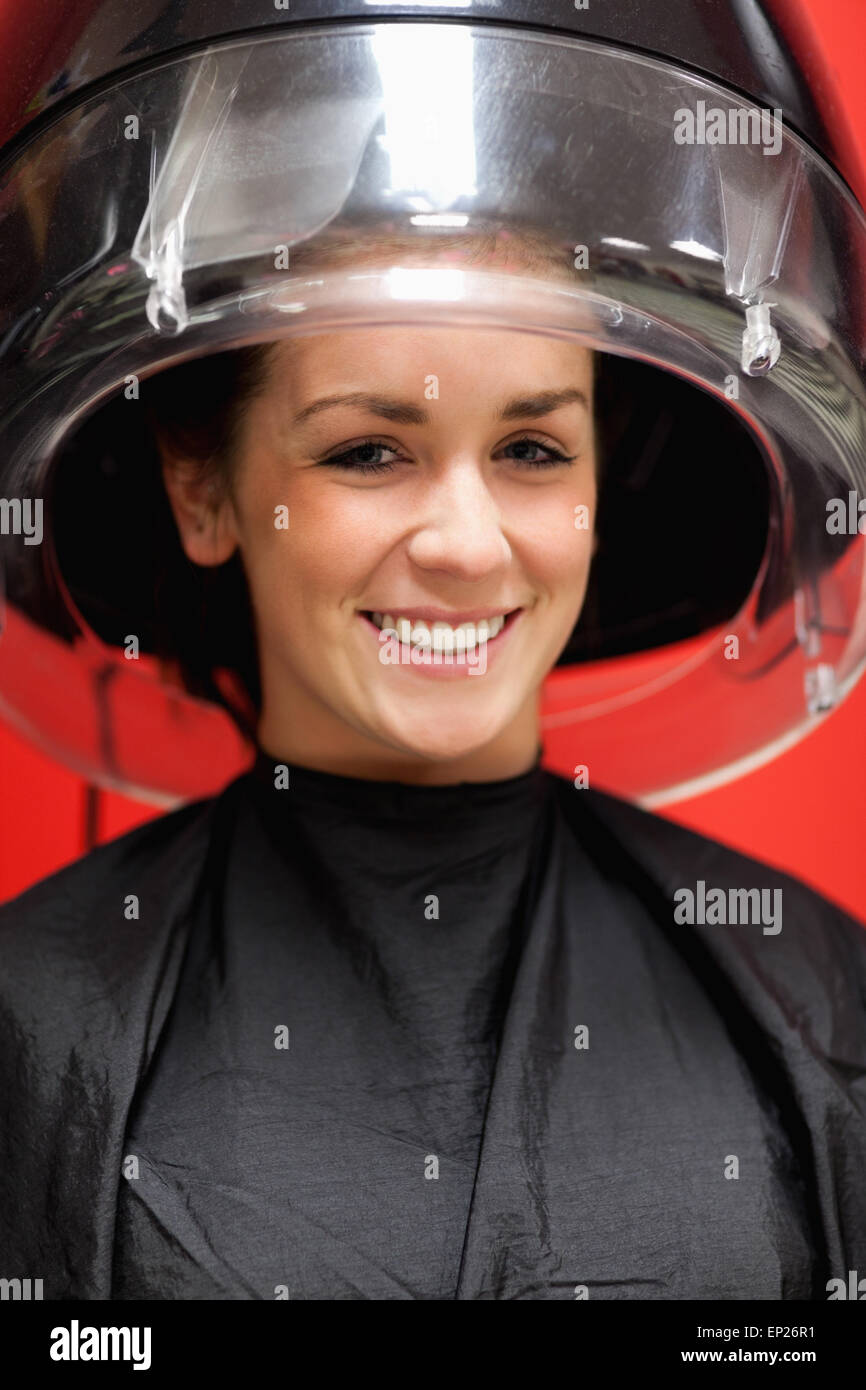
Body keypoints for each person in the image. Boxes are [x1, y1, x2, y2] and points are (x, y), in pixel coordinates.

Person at [1, 7, 865, 1302]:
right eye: (367, 449)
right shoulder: (32, 1010)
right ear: (204, 488)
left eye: (531, 449)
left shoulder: (813, 986)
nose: (466, 542)